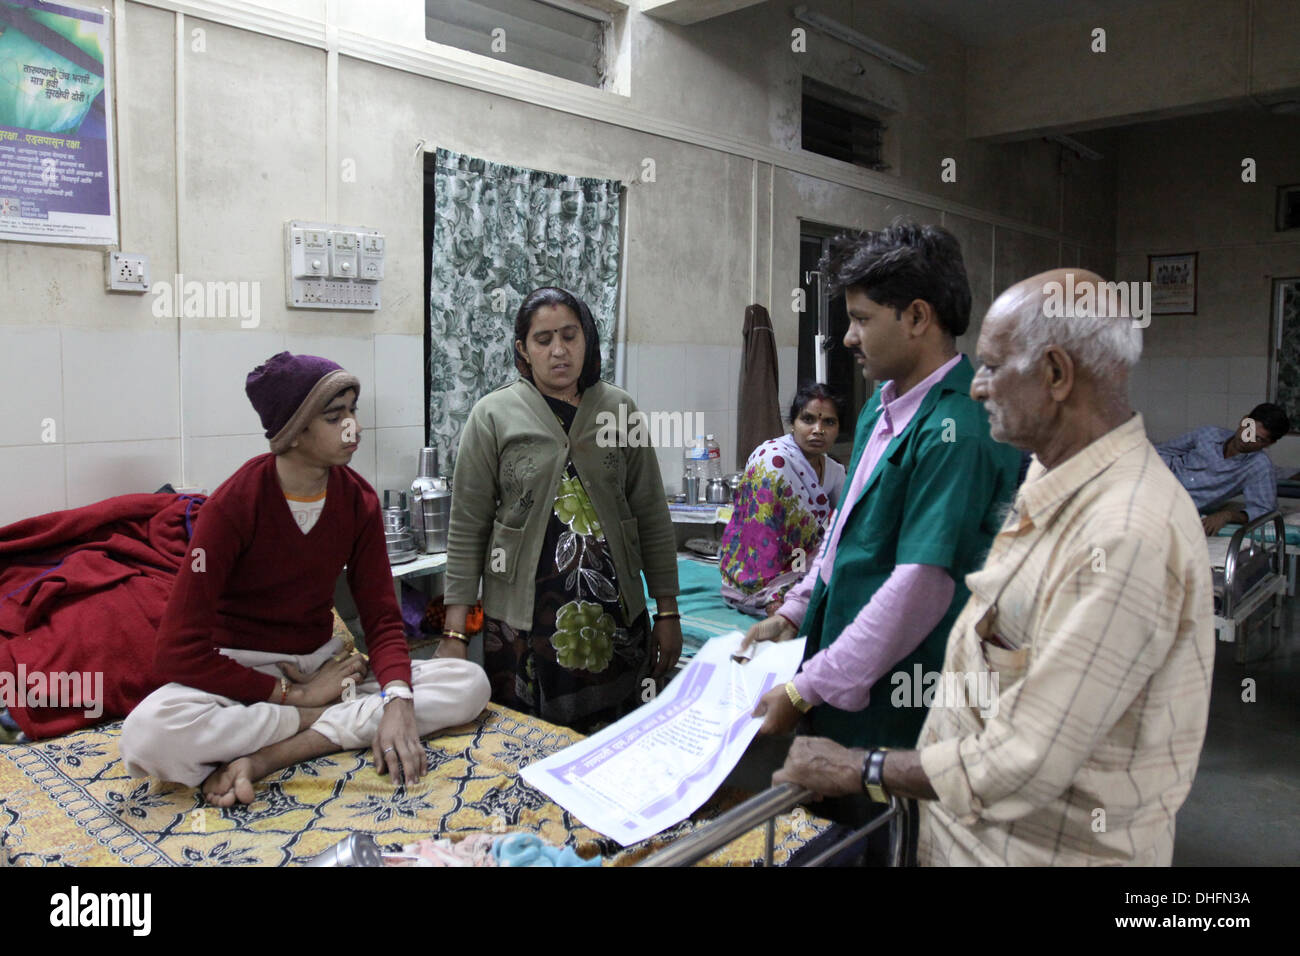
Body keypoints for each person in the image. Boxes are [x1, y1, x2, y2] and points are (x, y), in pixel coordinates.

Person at [773, 269, 1214, 866]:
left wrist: (860, 766)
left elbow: (1027, 758)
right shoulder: (1049, 477)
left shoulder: (1124, 534)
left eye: (992, 367)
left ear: (1056, 374)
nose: (977, 389)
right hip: (963, 838)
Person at [120, 353, 491, 806]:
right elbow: (175, 651)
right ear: (293, 433)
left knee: (469, 683)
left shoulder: (359, 501)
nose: (353, 426)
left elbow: (382, 619)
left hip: (326, 668)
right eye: (336, 417)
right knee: (147, 734)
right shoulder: (233, 506)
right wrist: (292, 694)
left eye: (354, 411)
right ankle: (326, 719)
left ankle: (272, 754)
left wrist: (395, 699)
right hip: (244, 673)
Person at [743, 221, 1021, 749]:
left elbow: (921, 587)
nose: (848, 337)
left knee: (886, 822)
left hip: (901, 702)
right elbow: (845, 530)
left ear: (917, 316)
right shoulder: (882, 407)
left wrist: (806, 689)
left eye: (861, 319)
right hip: (839, 679)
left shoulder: (956, 428)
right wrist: (795, 612)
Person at [441, 287, 682, 733]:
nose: (558, 351)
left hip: (615, 620)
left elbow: (650, 512)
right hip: (521, 623)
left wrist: (667, 611)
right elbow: (467, 525)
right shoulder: (492, 415)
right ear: (523, 349)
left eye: (570, 336)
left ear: (586, 340)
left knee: (616, 741)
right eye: (544, 339)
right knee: (524, 745)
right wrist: (455, 635)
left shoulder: (618, 409)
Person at [718, 382, 847, 617]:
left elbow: (845, 521)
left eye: (828, 422)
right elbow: (759, 528)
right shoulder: (772, 459)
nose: (818, 429)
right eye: (808, 420)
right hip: (758, 566)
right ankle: (772, 595)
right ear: (793, 424)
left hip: (805, 563)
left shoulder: (835, 471)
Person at [1156, 404, 1290, 535]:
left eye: (1258, 438)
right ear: (1244, 420)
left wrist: (1227, 515)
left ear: (1269, 444)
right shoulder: (1208, 434)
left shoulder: (1259, 466)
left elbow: (1264, 510)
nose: (1247, 439)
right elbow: (1162, 451)